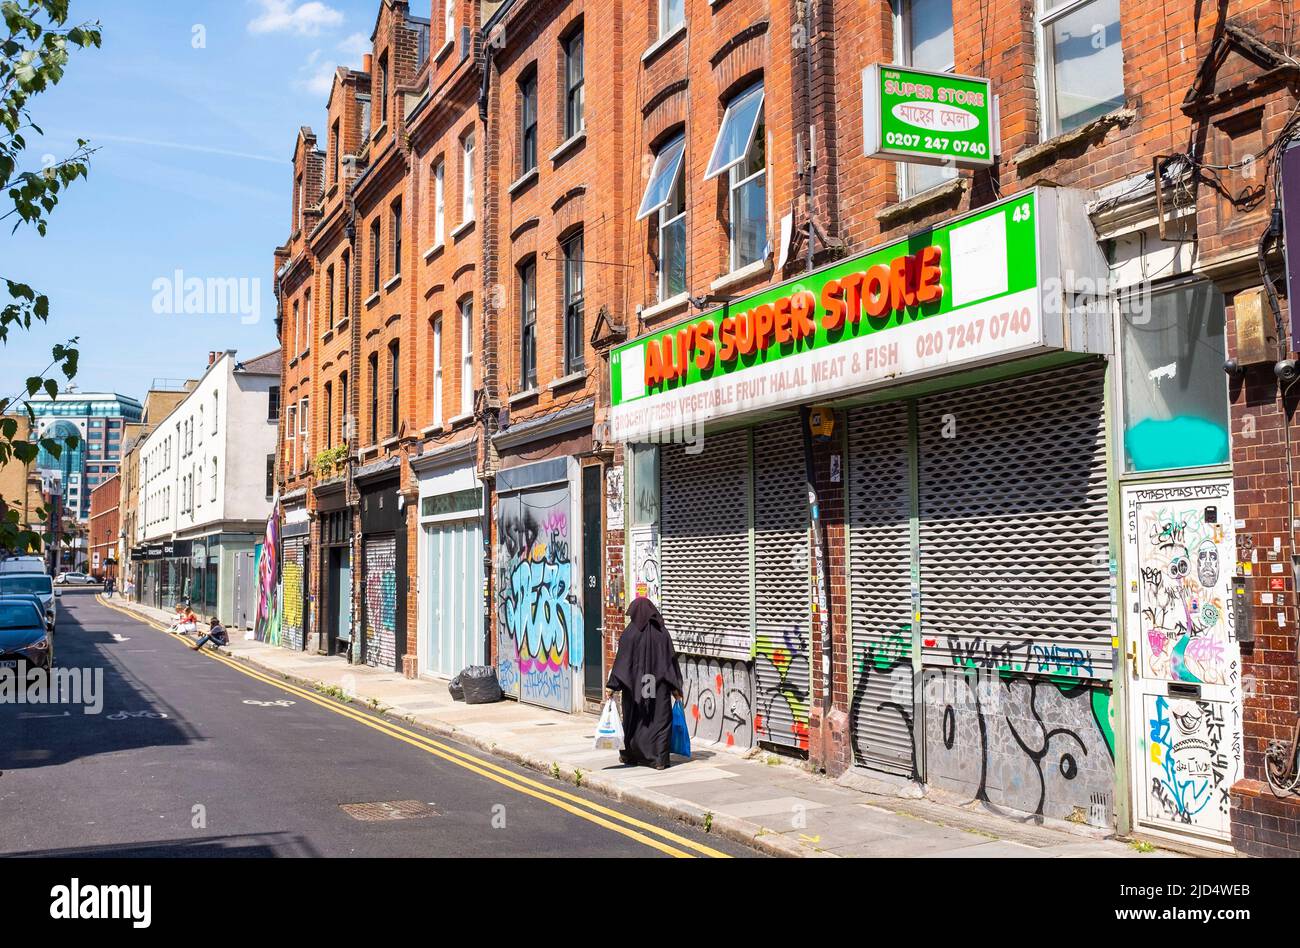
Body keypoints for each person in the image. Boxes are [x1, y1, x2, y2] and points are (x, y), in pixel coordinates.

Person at [606, 597, 683, 770]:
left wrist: (612, 686)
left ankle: (631, 755)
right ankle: (659, 760)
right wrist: (676, 688)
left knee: (634, 721)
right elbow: (670, 662)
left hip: (634, 689)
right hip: (659, 688)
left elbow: (622, 662)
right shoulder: (662, 633)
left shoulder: (629, 633)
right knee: (660, 722)